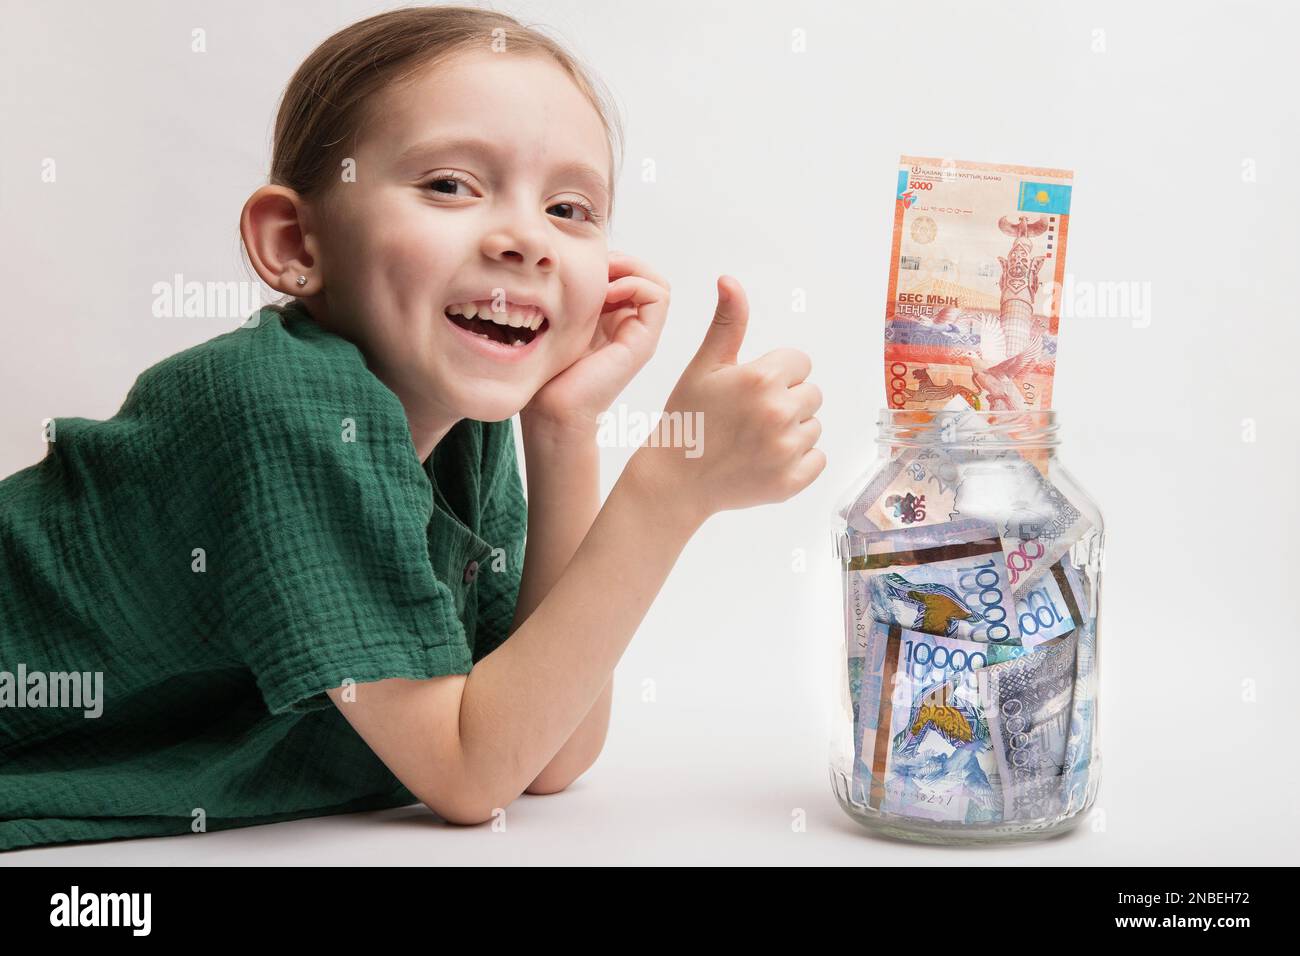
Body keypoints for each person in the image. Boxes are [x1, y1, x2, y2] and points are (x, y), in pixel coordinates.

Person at [0, 5, 824, 852]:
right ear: (294, 243)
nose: (526, 240)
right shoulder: (283, 401)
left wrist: (566, 430)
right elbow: (470, 772)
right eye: (450, 186)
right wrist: (666, 493)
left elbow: (548, 748)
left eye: (570, 208)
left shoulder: (457, 421)